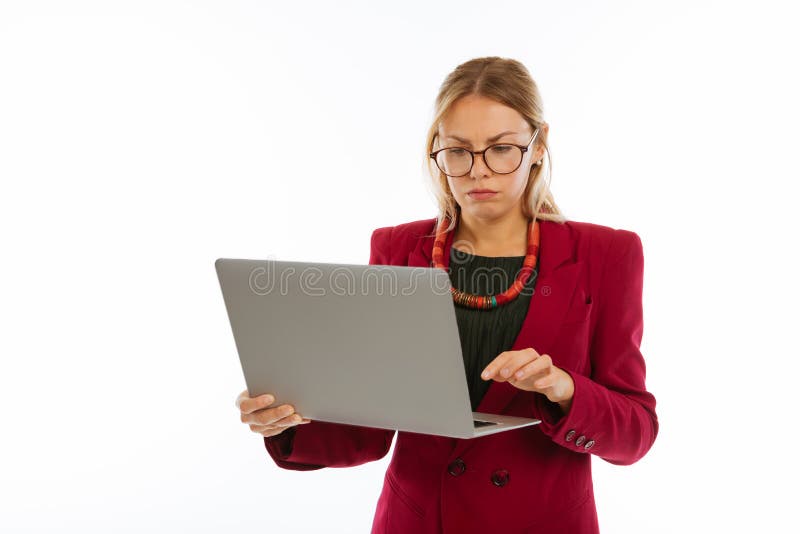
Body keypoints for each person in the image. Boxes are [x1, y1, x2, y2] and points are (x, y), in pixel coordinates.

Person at [235, 56, 658, 533]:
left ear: (539, 146)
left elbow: (636, 432)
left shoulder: (608, 253)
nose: (478, 171)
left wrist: (566, 391)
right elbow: (370, 425)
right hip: (417, 519)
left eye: (502, 149)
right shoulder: (396, 246)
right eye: (457, 151)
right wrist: (289, 417)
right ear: (437, 150)